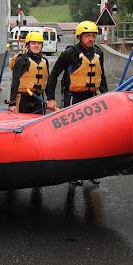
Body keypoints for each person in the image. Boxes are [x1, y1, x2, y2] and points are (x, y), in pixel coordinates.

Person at [46, 21, 107, 186]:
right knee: (74, 137)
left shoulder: (98, 53)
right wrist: (51, 98)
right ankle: (72, 173)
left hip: (91, 97)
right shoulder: (70, 53)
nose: (91, 39)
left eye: (93, 36)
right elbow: (54, 74)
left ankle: (90, 171)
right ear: (79, 37)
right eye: (88, 36)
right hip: (73, 98)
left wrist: (107, 96)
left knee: (92, 137)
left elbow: (101, 78)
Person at [7, 31, 50, 114]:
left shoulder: (44, 61)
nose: (36, 46)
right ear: (28, 45)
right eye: (33, 43)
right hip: (23, 99)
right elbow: (15, 82)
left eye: (39, 43)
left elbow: (46, 82)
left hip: (37, 99)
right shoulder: (21, 60)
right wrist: (12, 103)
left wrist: (50, 99)